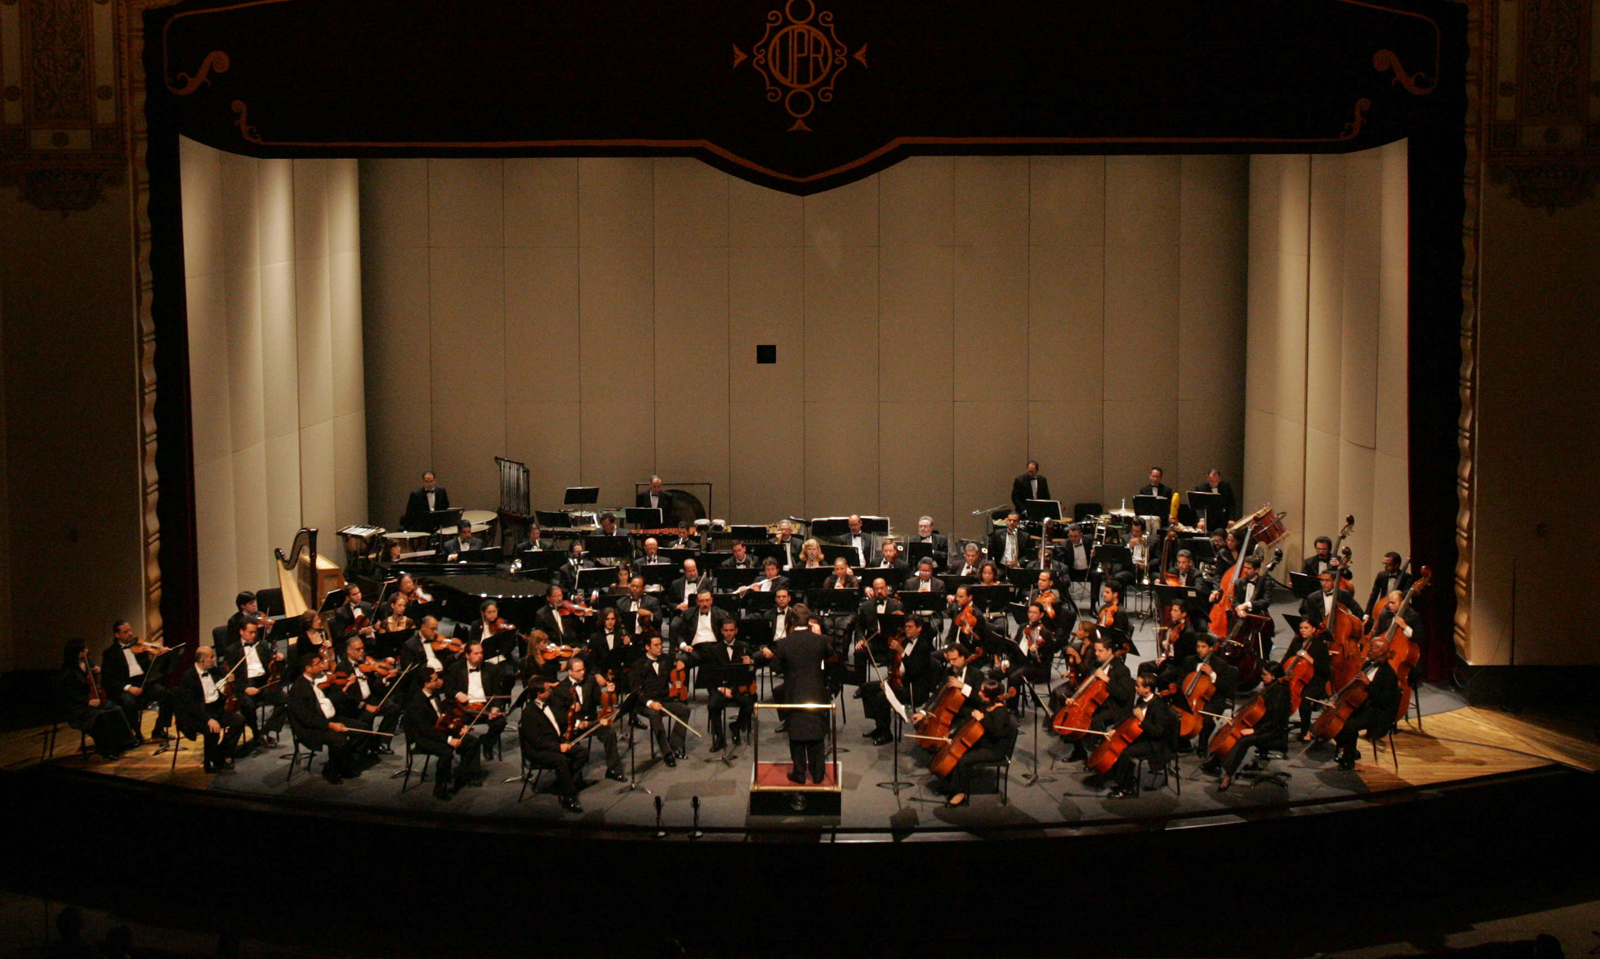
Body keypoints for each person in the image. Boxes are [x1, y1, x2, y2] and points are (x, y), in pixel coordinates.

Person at [762, 606, 832, 797]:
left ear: (791, 621)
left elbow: (776, 667)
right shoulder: (821, 640)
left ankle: (799, 773)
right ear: (808, 621)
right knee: (817, 733)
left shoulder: (784, 644)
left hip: (794, 694)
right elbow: (831, 655)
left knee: (797, 734)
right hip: (816, 693)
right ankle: (818, 774)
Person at [286, 653, 370, 784]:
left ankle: (344, 764)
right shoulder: (299, 688)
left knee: (362, 729)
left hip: (328, 718)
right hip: (312, 728)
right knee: (340, 740)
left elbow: (329, 700)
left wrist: (346, 687)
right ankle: (330, 770)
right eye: (318, 664)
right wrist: (330, 725)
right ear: (308, 668)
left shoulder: (318, 681)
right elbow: (306, 718)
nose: (322, 665)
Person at [403, 666, 482, 800]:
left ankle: (461, 774)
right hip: (425, 738)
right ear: (426, 683)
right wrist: (449, 740)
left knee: (472, 742)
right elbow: (425, 730)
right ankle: (440, 788)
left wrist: (461, 727)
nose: (439, 681)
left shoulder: (436, 696)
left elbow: (445, 718)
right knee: (446, 751)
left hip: (441, 732)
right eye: (435, 679)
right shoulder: (417, 702)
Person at [937, 679, 1018, 808]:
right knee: (956, 751)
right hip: (984, 743)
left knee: (963, 759)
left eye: (982, 692)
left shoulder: (1001, 712)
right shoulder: (986, 705)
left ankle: (960, 794)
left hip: (994, 750)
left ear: (990, 696)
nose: (979, 693)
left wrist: (982, 719)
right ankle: (951, 786)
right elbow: (969, 723)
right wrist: (953, 735)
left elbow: (996, 733)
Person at [1211, 662, 1293, 790]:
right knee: (1234, 733)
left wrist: (1254, 730)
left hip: (1273, 731)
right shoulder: (1270, 687)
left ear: (1273, 676)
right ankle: (1215, 762)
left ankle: (1228, 775)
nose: (1262, 677)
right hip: (1264, 727)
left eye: (1265, 675)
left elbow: (1274, 721)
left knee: (1243, 739)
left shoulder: (1280, 693)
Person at [56, 639, 136, 759]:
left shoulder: (88, 662)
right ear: (76, 652)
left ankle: (126, 742)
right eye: (83, 649)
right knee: (100, 716)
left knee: (116, 709)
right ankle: (106, 749)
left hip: (93, 698)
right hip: (78, 705)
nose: (86, 651)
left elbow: (94, 678)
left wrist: (97, 671)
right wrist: (87, 701)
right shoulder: (68, 672)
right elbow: (68, 695)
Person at [1330, 638, 1401, 770]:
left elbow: (1384, 701)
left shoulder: (1388, 674)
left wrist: (1368, 684)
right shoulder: (1367, 665)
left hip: (1378, 713)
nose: (1368, 650)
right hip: (1364, 706)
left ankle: (1348, 760)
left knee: (1349, 725)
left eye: (1372, 647)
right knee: (1338, 718)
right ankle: (1349, 748)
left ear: (1381, 652)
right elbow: (1357, 689)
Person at [172, 646, 245, 773]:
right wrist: (209, 719)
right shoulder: (188, 677)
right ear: (202, 660)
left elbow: (224, 686)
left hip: (216, 709)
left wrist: (230, 681)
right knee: (212, 730)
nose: (215, 659)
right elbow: (191, 705)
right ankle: (209, 762)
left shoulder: (214, 671)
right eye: (211, 657)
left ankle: (220, 753)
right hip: (197, 715)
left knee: (239, 720)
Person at [100, 621, 175, 744]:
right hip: (125, 686)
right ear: (117, 635)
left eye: (130, 630)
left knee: (166, 694)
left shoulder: (139, 648)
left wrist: (157, 655)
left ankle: (159, 729)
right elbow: (107, 679)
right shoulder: (110, 653)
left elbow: (149, 669)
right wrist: (129, 688)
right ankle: (135, 734)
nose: (130, 634)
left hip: (142, 683)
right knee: (128, 702)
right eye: (126, 632)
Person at [553, 655, 626, 781]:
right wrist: (577, 723)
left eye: (583, 669)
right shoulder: (561, 688)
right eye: (579, 671)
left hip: (591, 721)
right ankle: (575, 778)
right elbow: (559, 715)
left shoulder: (590, 680)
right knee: (570, 744)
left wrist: (608, 693)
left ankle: (614, 769)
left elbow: (598, 700)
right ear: (570, 672)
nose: (582, 673)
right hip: (572, 725)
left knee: (609, 732)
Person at [520, 678, 587, 813]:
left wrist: (573, 724)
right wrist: (558, 747)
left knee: (582, 753)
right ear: (539, 694)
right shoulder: (529, 713)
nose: (551, 691)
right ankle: (568, 797)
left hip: (555, 742)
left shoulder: (549, 703)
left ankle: (563, 783)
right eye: (548, 690)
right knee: (561, 760)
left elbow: (561, 719)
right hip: (538, 751)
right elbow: (536, 741)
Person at [1106, 672, 1176, 799]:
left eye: (1138, 686)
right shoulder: (1141, 699)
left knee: (1125, 752)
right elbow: (1129, 718)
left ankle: (1127, 788)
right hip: (1143, 736)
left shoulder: (1159, 707)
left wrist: (1142, 720)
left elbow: (1158, 732)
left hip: (1154, 744)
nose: (1135, 688)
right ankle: (1125, 780)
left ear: (1147, 689)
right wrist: (1116, 730)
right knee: (1118, 744)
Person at [692, 619, 757, 751]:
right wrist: (722, 689)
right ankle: (720, 739)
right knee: (713, 705)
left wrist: (750, 664)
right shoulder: (713, 650)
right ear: (722, 632)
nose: (728, 633)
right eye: (726, 630)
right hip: (720, 688)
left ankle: (737, 727)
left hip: (738, 688)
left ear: (736, 631)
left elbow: (751, 674)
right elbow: (709, 675)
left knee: (749, 703)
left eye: (731, 630)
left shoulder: (744, 647)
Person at [220, 619, 288, 746]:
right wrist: (245, 689)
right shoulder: (232, 650)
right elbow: (229, 676)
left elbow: (272, 665)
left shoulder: (261, 645)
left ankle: (265, 731)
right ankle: (256, 733)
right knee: (248, 705)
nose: (253, 635)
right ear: (241, 632)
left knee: (285, 700)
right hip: (245, 686)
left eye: (255, 632)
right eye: (250, 632)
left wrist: (279, 659)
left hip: (264, 682)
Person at [629, 633, 691, 765]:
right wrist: (650, 703)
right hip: (645, 703)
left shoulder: (665, 660)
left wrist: (680, 664)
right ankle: (667, 752)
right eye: (656, 645)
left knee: (685, 710)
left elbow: (674, 672)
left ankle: (675, 746)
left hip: (663, 700)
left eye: (660, 645)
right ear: (647, 647)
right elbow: (636, 691)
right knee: (654, 715)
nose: (660, 648)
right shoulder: (637, 665)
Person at [337, 636, 402, 752]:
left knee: (394, 708)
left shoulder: (366, 662)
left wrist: (384, 679)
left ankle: (382, 742)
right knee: (367, 716)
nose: (362, 651)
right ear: (349, 651)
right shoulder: (342, 668)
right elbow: (345, 697)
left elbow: (374, 685)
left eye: (362, 648)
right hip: (355, 705)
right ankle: (366, 746)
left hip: (370, 698)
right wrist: (365, 706)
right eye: (358, 649)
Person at [443, 641, 508, 756]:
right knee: (455, 724)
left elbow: (498, 692)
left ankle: (487, 743)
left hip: (484, 706)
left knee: (500, 722)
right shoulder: (456, 668)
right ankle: (465, 752)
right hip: (464, 708)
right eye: (476, 653)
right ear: (467, 655)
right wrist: (458, 694)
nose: (480, 656)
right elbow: (448, 690)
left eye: (481, 653)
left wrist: (495, 707)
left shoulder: (491, 669)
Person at [1175, 633, 1237, 752]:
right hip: (1191, 696)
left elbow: (1226, 688)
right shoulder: (1189, 660)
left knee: (1207, 718)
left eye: (1203, 647)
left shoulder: (1220, 664)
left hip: (1214, 699)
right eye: (1198, 647)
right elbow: (1181, 679)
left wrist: (1212, 674)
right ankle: (1184, 742)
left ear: (1211, 648)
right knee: (1176, 712)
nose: (1200, 650)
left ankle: (1202, 745)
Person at [1283, 616, 1332, 740]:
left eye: (1306, 628)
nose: (1302, 630)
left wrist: (1309, 658)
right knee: (1281, 694)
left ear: (1314, 629)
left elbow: (1325, 670)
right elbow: (1286, 660)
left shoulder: (1320, 646)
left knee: (1304, 700)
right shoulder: (1296, 643)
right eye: (1301, 628)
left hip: (1315, 680)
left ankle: (1305, 731)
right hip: (1297, 677)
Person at [1365, 552, 1414, 623]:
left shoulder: (1406, 577)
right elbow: (1374, 595)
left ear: (1397, 565)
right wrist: (1367, 613)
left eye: (1388, 564)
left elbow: (1405, 595)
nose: (1385, 566)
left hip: (1398, 610)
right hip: (1382, 608)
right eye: (1384, 564)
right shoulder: (1381, 575)